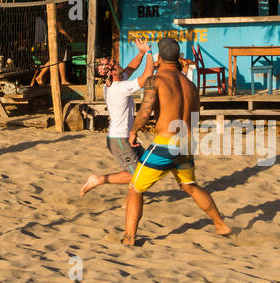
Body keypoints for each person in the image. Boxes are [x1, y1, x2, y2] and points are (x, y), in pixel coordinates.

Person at [122, 37, 232, 245]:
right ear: (179, 57)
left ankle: (129, 236)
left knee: (135, 189)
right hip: (186, 141)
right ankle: (220, 224)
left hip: (165, 143)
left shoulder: (156, 80)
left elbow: (145, 111)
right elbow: (195, 115)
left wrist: (134, 131)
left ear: (160, 58)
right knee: (189, 185)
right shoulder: (190, 84)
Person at [80, 45, 149, 195]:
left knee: (145, 168)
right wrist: (149, 54)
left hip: (124, 136)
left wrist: (141, 53)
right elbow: (145, 77)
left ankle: (130, 200)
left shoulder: (113, 82)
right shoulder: (119, 88)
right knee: (135, 174)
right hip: (119, 139)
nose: (118, 63)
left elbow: (131, 67)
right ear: (112, 72)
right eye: (115, 63)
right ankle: (98, 179)